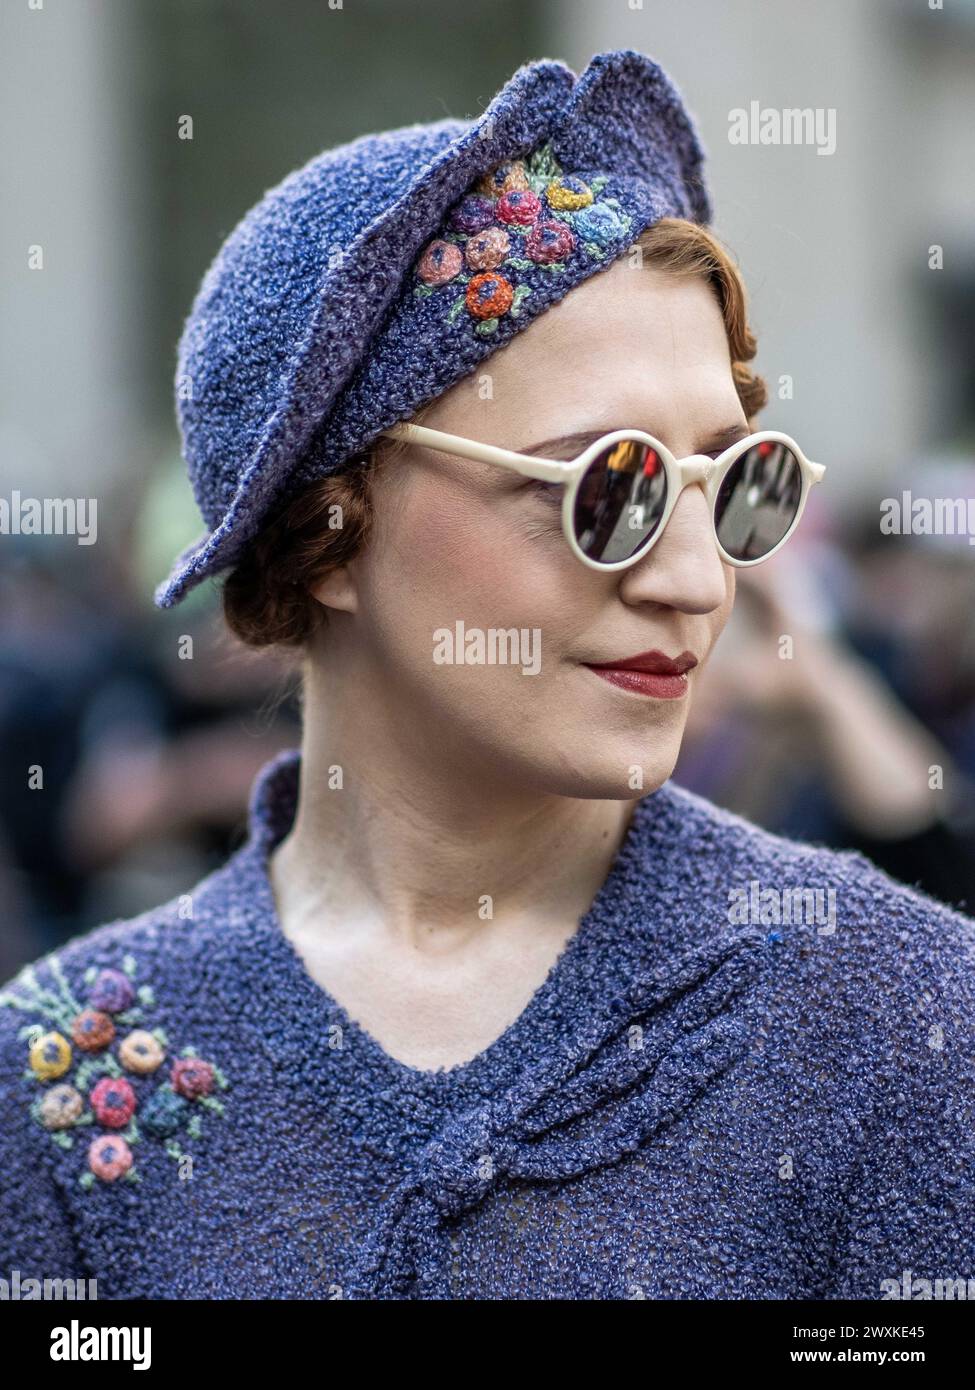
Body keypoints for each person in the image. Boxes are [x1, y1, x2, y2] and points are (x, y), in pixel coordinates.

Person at [2, 48, 974, 1301]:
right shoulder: (64, 1080)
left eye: (737, 485)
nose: (696, 579)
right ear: (334, 521)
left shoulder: (900, 1017)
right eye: (607, 487)